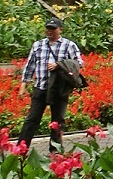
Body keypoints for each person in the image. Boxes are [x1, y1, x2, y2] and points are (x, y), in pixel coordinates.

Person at [18, 17, 83, 154]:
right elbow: (29, 66)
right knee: (32, 119)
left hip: (59, 89)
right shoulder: (38, 45)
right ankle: (21, 149)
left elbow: (78, 63)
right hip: (40, 87)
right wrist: (23, 86)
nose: (50, 31)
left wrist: (59, 65)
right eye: (48, 28)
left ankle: (55, 151)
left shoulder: (69, 45)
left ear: (60, 29)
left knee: (57, 121)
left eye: (53, 28)